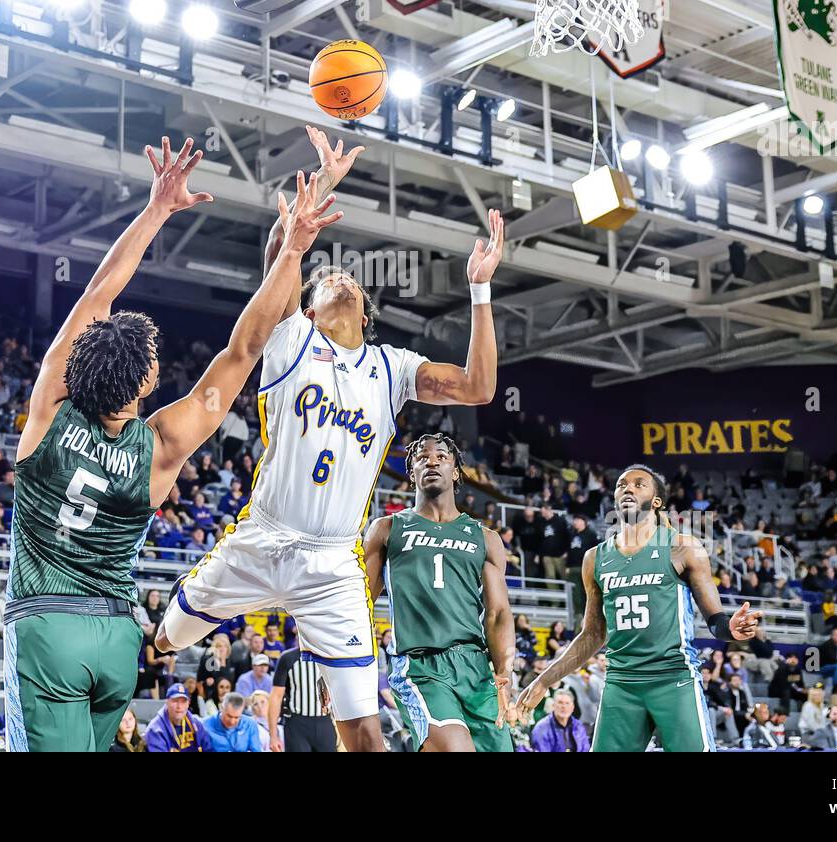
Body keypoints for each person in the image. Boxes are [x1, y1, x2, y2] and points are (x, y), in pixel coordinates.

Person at [157, 126, 504, 753]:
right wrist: (311, 203)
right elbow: (277, 266)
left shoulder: (392, 368)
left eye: (350, 281)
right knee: (163, 639)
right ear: (309, 307)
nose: (338, 277)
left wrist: (479, 289)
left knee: (365, 732)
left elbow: (479, 387)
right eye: (322, 279)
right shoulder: (292, 340)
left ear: (365, 313)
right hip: (259, 539)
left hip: (334, 565)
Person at [4, 140, 341, 753]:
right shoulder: (161, 445)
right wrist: (292, 252)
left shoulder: (48, 412)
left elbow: (95, 296)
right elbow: (243, 351)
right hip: (115, 642)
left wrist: (157, 208)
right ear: (146, 382)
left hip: (46, 627)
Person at [516, 465, 760, 751]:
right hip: (621, 683)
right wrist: (545, 681)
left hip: (673, 677)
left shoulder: (682, 548)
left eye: (639, 484)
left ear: (657, 501)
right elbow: (592, 634)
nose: (627, 488)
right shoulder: (594, 558)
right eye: (622, 485)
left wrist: (730, 629)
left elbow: (716, 620)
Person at [362, 433, 513, 752]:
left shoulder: (485, 538)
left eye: (441, 457)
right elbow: (360, 605)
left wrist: (504, 672)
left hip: (475, 669)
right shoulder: (388, 529)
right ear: (411, 471)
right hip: (419, 664)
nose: (431, 461)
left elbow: (498, 612)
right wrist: (337, 665)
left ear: (456, 470)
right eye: (421, 457)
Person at [269, 642, 335, 753]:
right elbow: (276, 697)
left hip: (325, 722)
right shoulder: (288, 658)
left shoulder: (331, 657)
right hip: (296, 724)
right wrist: (273, 736)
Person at [144, 682, 209, 752]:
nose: (179, 706)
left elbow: (209, 748)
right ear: (167, 702)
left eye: (183, 702)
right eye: (175, 701)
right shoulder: (155, 730)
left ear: (188, 703)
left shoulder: (196, 724)